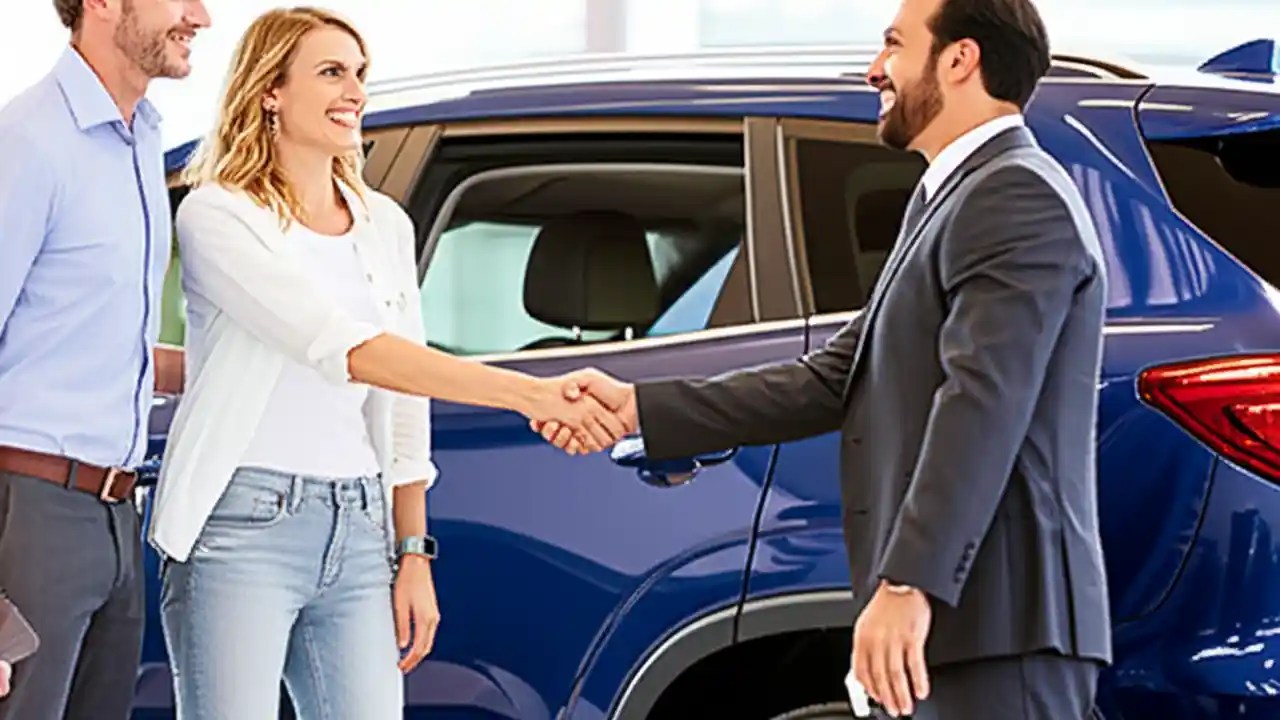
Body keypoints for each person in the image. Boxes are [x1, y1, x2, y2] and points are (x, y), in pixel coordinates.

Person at [537, 0, 1111, 717]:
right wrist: (639, 407)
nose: (876, 70)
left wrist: (908, 585)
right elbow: (839, 374)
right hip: (963, 627)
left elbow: (982, 405)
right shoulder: (952, 198)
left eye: (895, 46)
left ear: (960, 59)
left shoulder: (1013, 194)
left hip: (995, 623)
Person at [149, 7, 624, 718]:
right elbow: (347, 349)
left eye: (361, 74)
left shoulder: (383, 223)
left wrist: (414, 551)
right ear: (269, 89)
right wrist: (530, 395)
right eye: (332, 72)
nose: (356, 92)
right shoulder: (218, 215)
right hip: (241, 524)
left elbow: (403, 404)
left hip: (358, 524)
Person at [0, 1, 210, 718]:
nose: (201, 15)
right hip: (30, 514)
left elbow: (97, 343)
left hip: (117, 516)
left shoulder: (141, 141)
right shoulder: (28, 142)